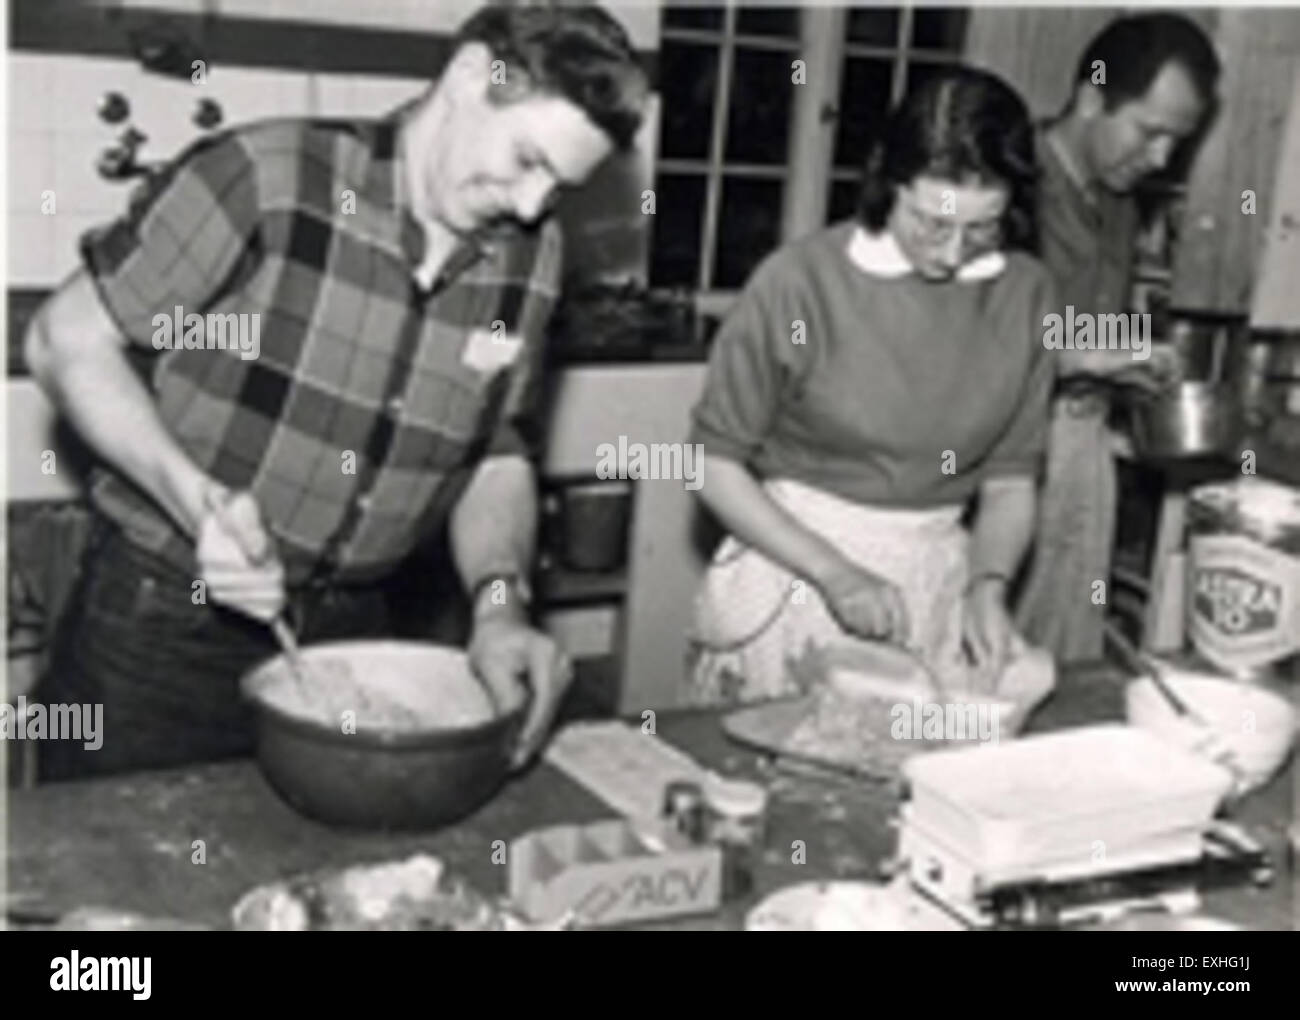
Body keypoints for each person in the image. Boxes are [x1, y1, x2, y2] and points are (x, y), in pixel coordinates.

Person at [25, 4, 648, 779]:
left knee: (322, 887)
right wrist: (198, 507)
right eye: (527, 159)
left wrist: (499, 606)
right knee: (112, 874)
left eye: (559, 185)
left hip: (356, 632)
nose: (529, 205)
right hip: (161, 624)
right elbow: (65, 339)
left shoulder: (531, 256)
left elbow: (496, 450)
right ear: (466, 77)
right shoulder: (266, 178)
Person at [683, 67, 1055, 711]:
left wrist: (988, 584)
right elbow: (712, 465)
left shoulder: (1025, 294)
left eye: (982, 227)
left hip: (935, 576)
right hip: (797, 572)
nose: (950, 253)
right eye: (930, 222)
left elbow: (1010, 481)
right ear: (889, 182)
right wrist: (832, 569)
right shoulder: (800, 284)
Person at [1015, 13, 1220, 662]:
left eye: (1176, 144)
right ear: (1092, 97)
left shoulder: (1121, 198)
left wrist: (1132, 360)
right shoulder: (1009, 185)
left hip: (1081, 447)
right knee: (987, 663)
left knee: (1065, 658)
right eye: (1151, 132)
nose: (1160, 158)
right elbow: (960, 350)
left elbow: (1075, 324)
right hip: (1010, 457)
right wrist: (1094, 357)